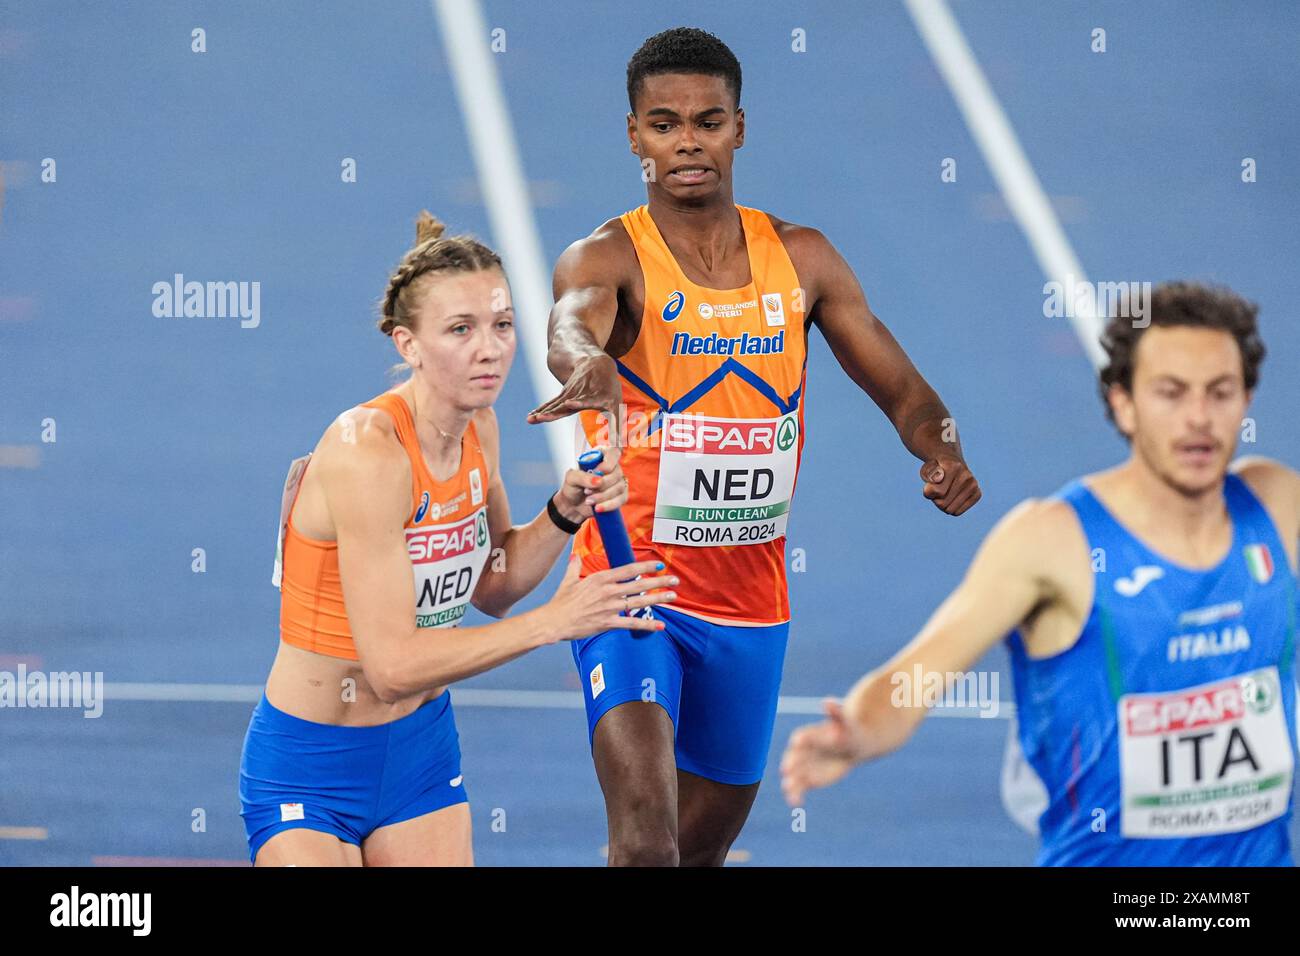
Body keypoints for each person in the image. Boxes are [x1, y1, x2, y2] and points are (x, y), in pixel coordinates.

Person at [526, 28, 981, 866]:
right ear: (634, 136)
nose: (688, 142)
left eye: (708, 120)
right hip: (631, 586)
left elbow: (906, 391)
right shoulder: (610, 255)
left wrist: (939, 448)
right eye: (664, 125)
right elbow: (570, 318)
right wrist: (587, 362)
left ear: (740, 126)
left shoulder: (802, 259)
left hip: (751, 606)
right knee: (648, 846)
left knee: (696, 854)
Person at [782, 281, 1298, 866]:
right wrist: (856, 729)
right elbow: (916, 676)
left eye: (1221, 392)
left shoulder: (1279, 507)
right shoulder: (1053, 540)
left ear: (1247, 398)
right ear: (1123, 402)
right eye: (1171, 393)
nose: (1200, 418)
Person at [238, 212, 678, 866]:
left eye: (502, 325)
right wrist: (555, 621)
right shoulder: (368, 454)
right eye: (461, 330)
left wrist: (565, 511)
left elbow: (494, 584)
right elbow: (389, 669)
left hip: (420, 758)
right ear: (406, 345)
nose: (491, 348)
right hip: (312, 765)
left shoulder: (479, 430)